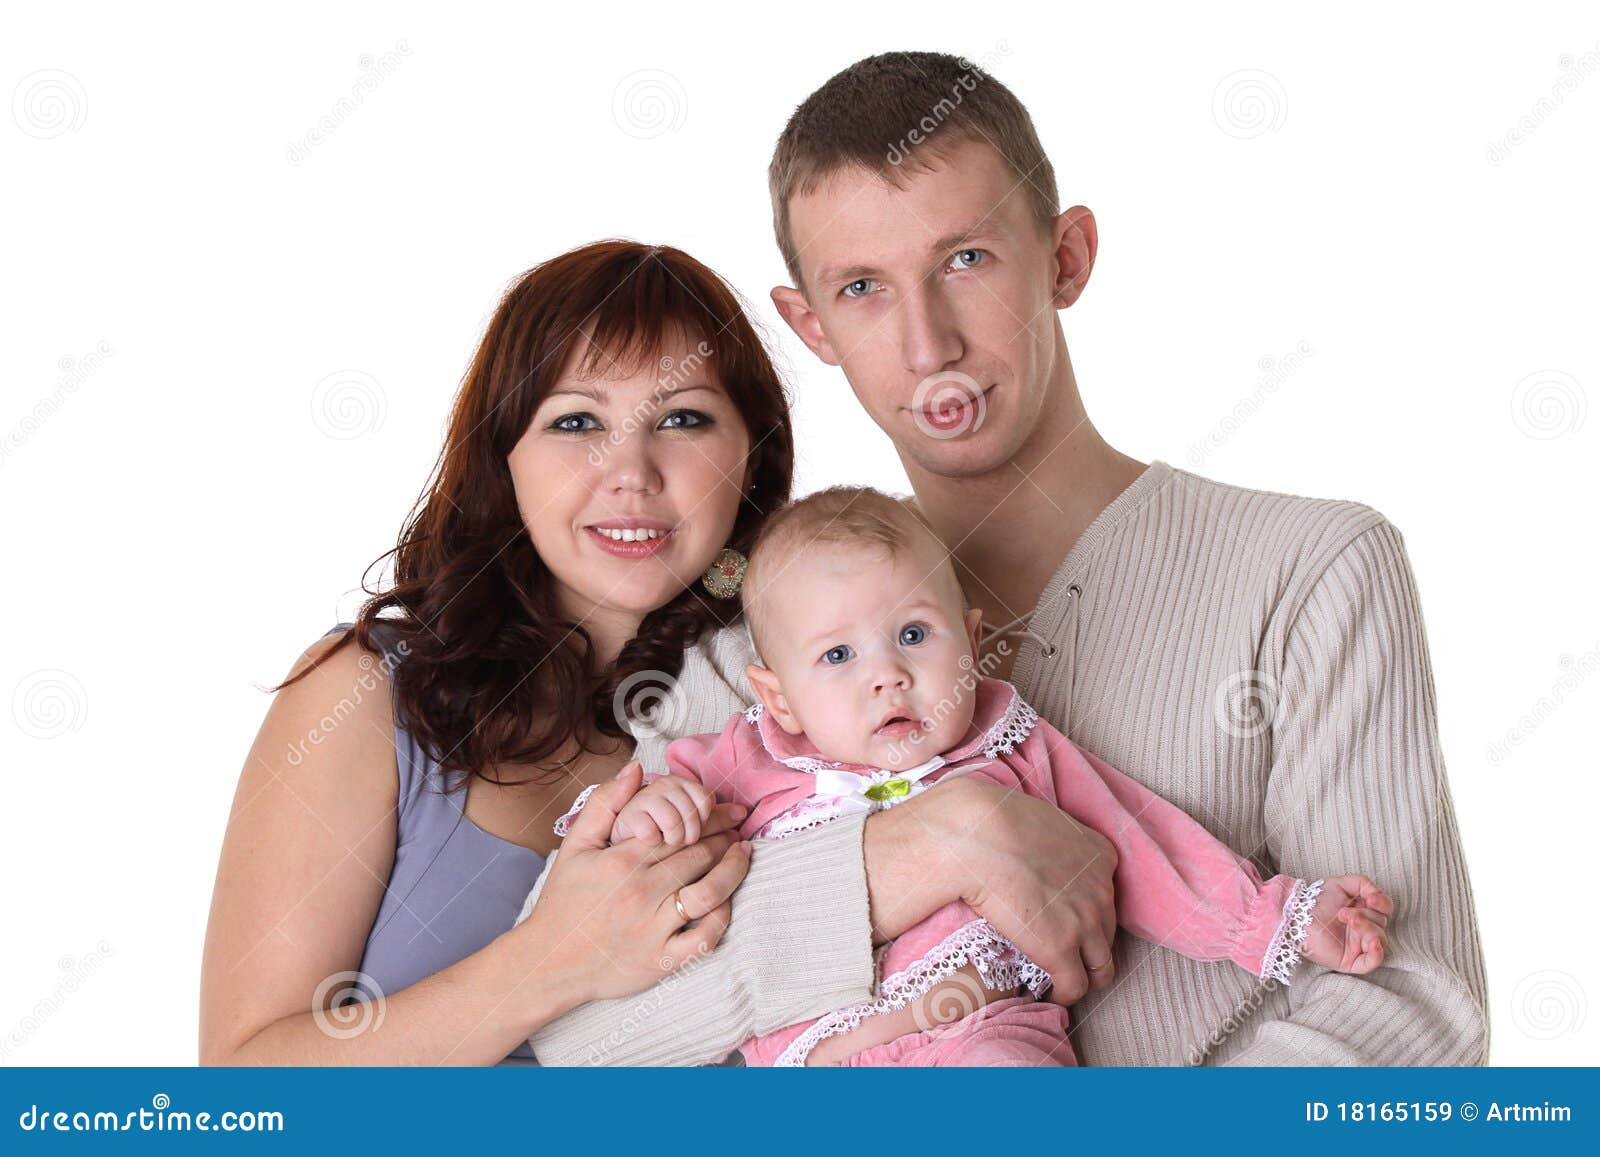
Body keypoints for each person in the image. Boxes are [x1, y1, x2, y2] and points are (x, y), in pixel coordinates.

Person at [528, 52, 1488, 1066]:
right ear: (811, 323)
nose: (925, 340)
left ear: (1065, 256)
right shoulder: (753, 663)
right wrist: (938, 840)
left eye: (966, 260)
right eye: (862, 286)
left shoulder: (1311, 571)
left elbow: (1407, 998)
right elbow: (582, 1031)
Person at [199, 238, 1123, 1065]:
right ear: (503, 455)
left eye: (682, 419)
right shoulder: (364, 697)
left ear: (752, 462)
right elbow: (241, 1087)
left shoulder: (809, 707)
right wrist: (555, 960)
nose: (631, 475)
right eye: (575, 422)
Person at [527, 486, 1394, 1067]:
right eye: (837, 654)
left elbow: (1139, 841)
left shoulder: (1009, 743)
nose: (887, 675)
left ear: (972, 643)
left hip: (985, 1038)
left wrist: (1270, 921)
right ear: (777, 696)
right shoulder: (743, 760)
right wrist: (656, 813)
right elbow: (613, 877)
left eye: (914, 634)